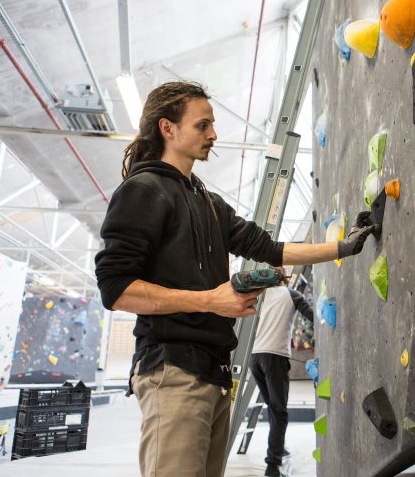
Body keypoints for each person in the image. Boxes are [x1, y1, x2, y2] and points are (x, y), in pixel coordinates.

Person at [94, 81, 375, 477]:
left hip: (213, 373)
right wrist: (210, 300)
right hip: (172, 372)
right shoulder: (144, 190)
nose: (212, 135)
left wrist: (344, 248)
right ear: (167, 129)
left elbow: (273, 249)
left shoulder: (207, 201)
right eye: (202, 125)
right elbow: (115, 288)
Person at [249, 271, 313, 477]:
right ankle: (273, 465)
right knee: (279, 411)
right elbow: (312, 316)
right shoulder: (292, 294)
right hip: (274, 358)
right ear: (284, 280)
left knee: (273, 408)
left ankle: (278, 447)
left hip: (255, 357)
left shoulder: (262, 295)